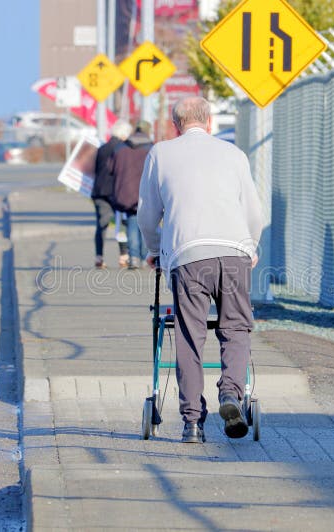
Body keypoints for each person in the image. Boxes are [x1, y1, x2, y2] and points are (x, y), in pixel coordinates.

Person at [137, 97, 264, 443]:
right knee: (236, 327)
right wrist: (250, 247)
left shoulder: (161, 154)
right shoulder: (234, 156)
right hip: (234, 253)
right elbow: (253, 212)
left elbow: (148, 214)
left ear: (176, 125)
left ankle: (193, 422)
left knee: (190, 336)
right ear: (209, 123)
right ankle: (231, 395)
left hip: (187, 254)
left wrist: (153, 251)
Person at [109, 120, 155, 269]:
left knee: (132, 222)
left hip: (126, 192)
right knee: (145, 224)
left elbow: (111, 168)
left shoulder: (120, 148)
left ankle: (134, 257)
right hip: (146, 193)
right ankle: (142, 257)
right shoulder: (152, 149)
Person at [92, 119, 133, 269]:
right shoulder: (123, 149)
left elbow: (96, 170)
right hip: (117, 192)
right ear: (124, 134)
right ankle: (123, 256)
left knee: (101, 225)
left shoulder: (102, 148)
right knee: (121, 224)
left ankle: (99, 257)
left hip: (99, 192)